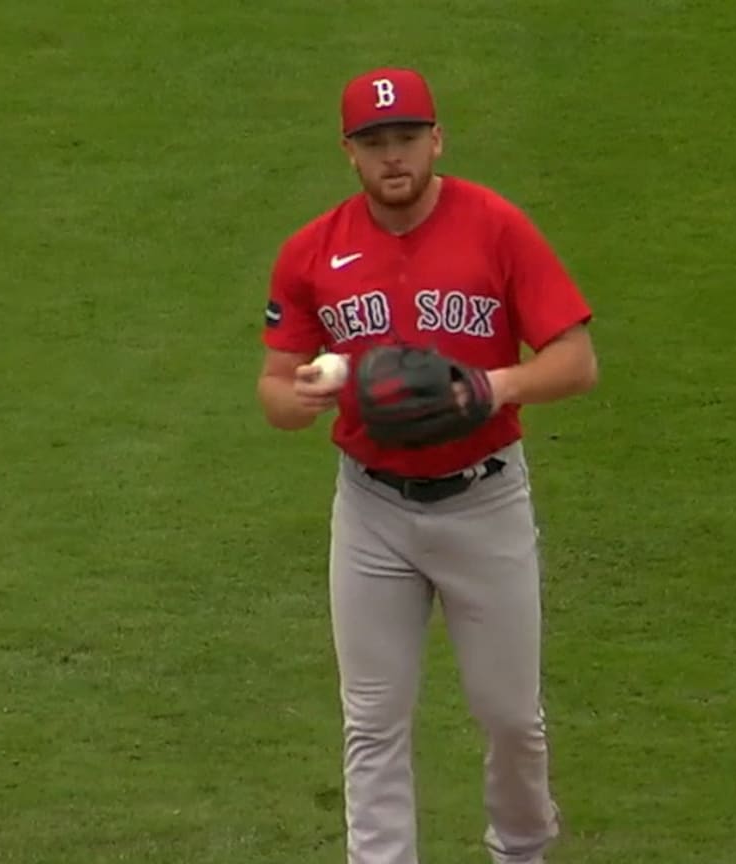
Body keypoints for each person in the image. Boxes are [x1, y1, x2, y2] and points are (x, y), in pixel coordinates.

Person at [255, 66, 599, 864]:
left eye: (407, 138)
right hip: (372, 512)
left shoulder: (498, 228)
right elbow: (273, 387)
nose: (394, 157)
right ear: (349, 153)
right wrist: (300, 393)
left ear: (436, 139)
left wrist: (493, 386)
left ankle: (520, 851)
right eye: (375, 143)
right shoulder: (312, 252)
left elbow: (577, 361)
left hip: (485, 502)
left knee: (511, 715)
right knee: (372, 721)